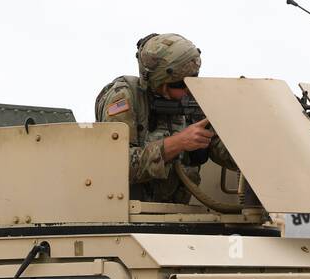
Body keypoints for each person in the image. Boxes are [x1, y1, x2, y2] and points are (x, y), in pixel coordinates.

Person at [94, 33, 236, 204]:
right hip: (129, 213)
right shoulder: (124, 97)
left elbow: (222, 150)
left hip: (179, 214)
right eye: (179, 84)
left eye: (192, 81)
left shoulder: (192, 103)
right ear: (158, 81)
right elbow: (113, 165)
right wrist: (179, 142)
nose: (187, 90)